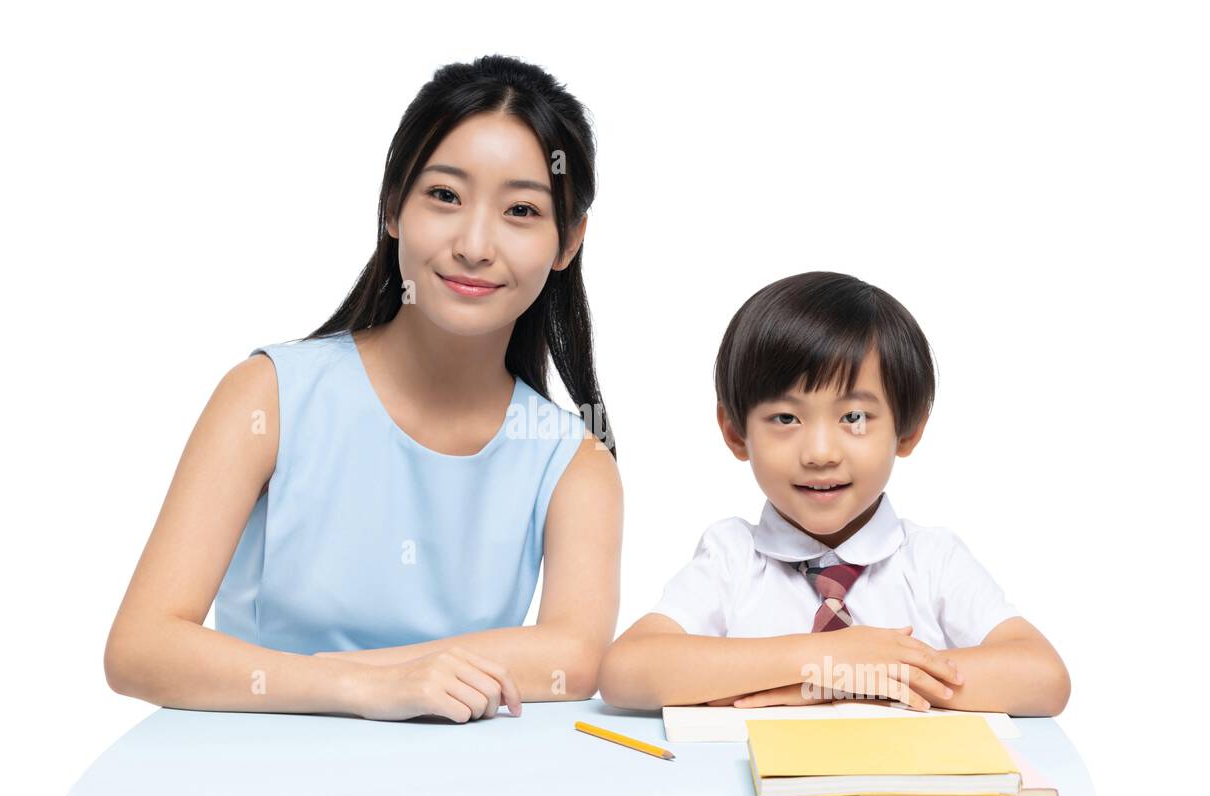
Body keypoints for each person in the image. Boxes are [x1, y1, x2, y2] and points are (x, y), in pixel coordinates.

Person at [105, 55, 622, 723]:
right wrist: (368, 686)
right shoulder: (268, 397)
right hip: (256, 774)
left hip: (455, 781)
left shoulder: (571, 458)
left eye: (521, 210)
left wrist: (395, 677)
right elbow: (140, 647)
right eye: (445, 196)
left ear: (568, 241)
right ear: (393, 206)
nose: (474, 244)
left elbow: (573, 658)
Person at [598, 271, 1068, 716]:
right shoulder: (732, 558)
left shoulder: (932, 560)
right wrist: (821, 658)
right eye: (786, 418)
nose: (820, 453)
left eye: (854, 418)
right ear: (736, 433)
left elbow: (1043, 678)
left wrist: (854, 678)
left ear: (908, 429)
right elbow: (626, 672)